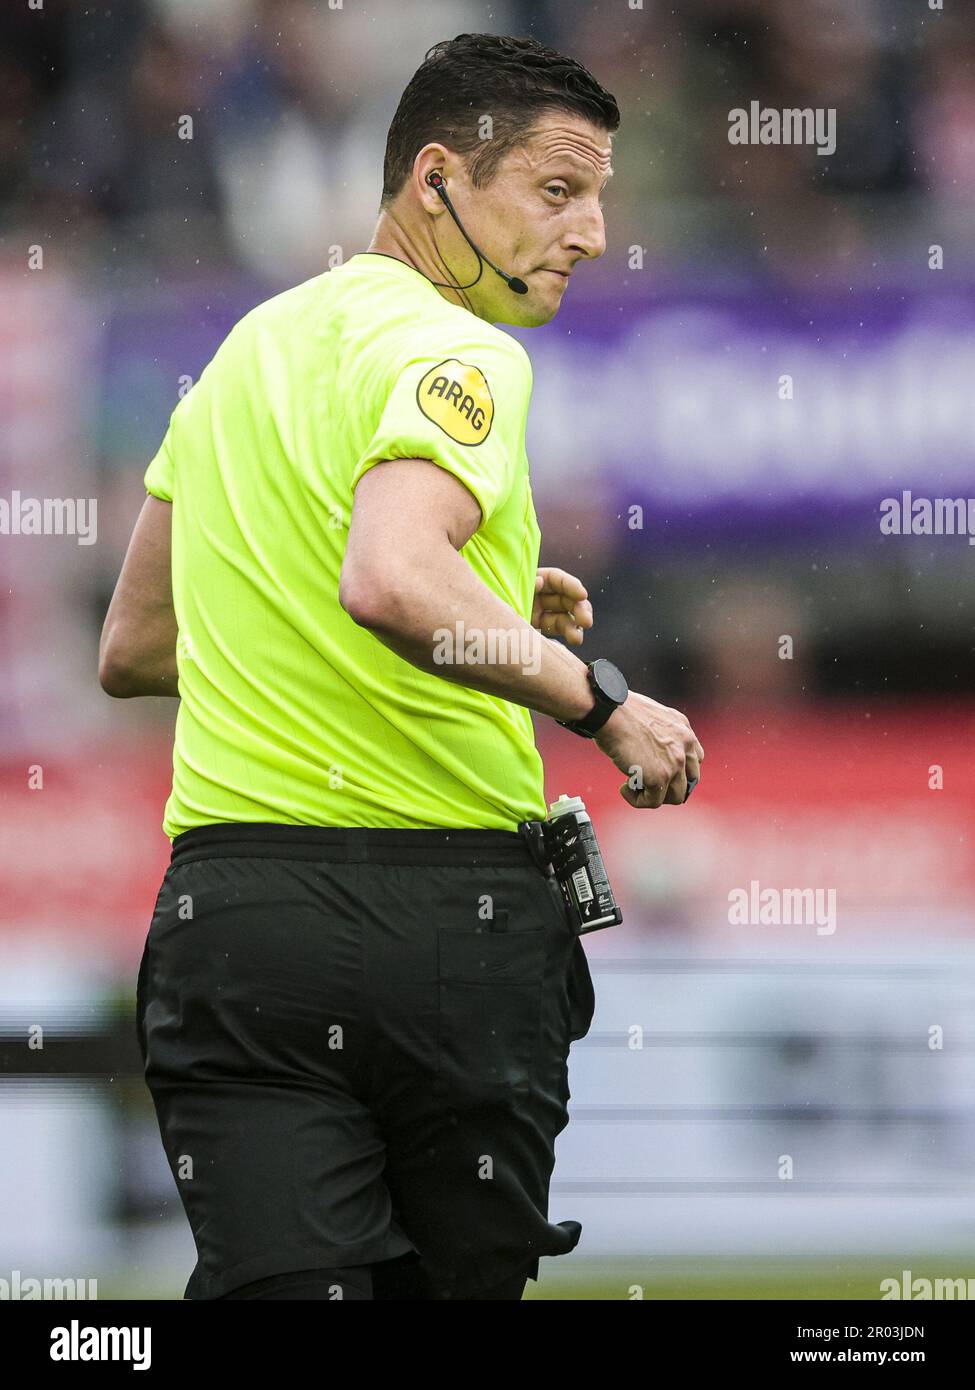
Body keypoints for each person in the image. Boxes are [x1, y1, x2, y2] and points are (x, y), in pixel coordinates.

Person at [99, 31, 703, 1301]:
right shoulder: (467, 351)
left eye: (597, 196)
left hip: (235, 920)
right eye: (556, 190)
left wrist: (478, 609)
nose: (591, 231)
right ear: (437, 180)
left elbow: (141, 647)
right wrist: (599, 697)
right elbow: (387, 579)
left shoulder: (237, 359)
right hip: (445, 926)